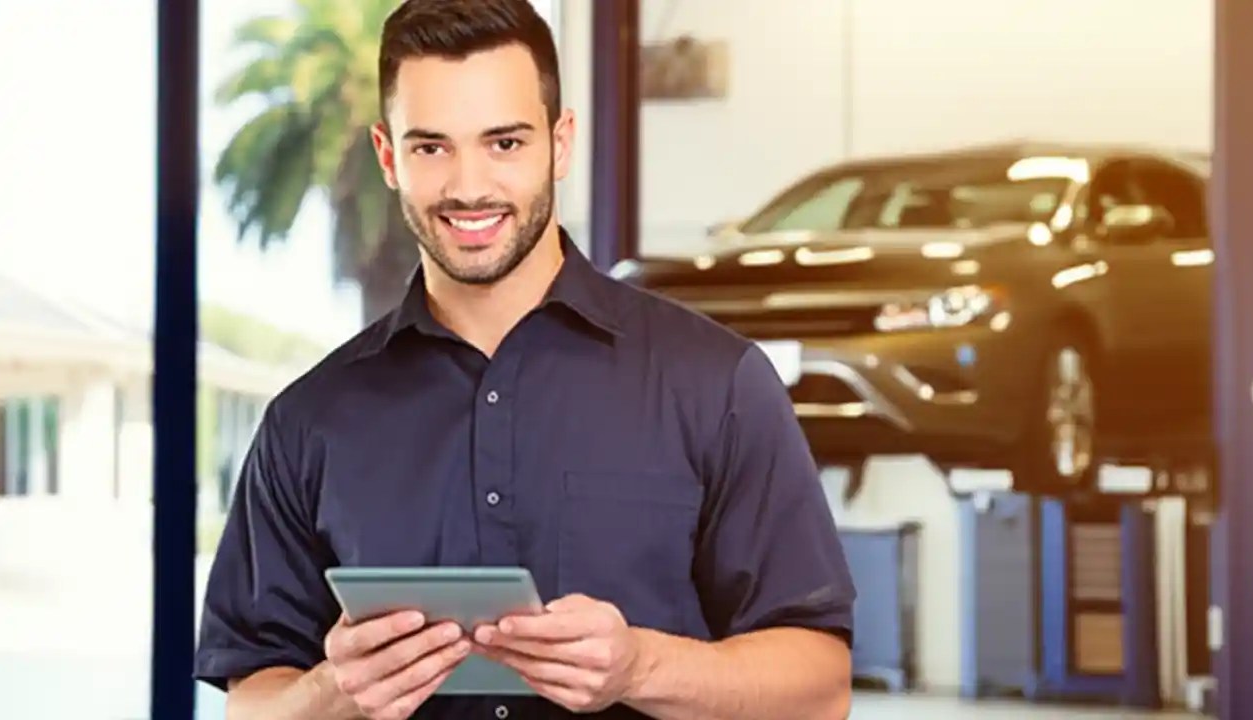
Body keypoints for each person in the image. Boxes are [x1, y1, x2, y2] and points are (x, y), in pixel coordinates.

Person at [193, 1, 857, 718]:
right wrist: (334, 690)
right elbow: (252, 702)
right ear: (388, 156)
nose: (469, 186)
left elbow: (820, 690)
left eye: (504, 143)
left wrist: (640, 667)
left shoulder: (716, 384)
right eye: (431, 147)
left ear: (559, 142)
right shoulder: (309, 421)